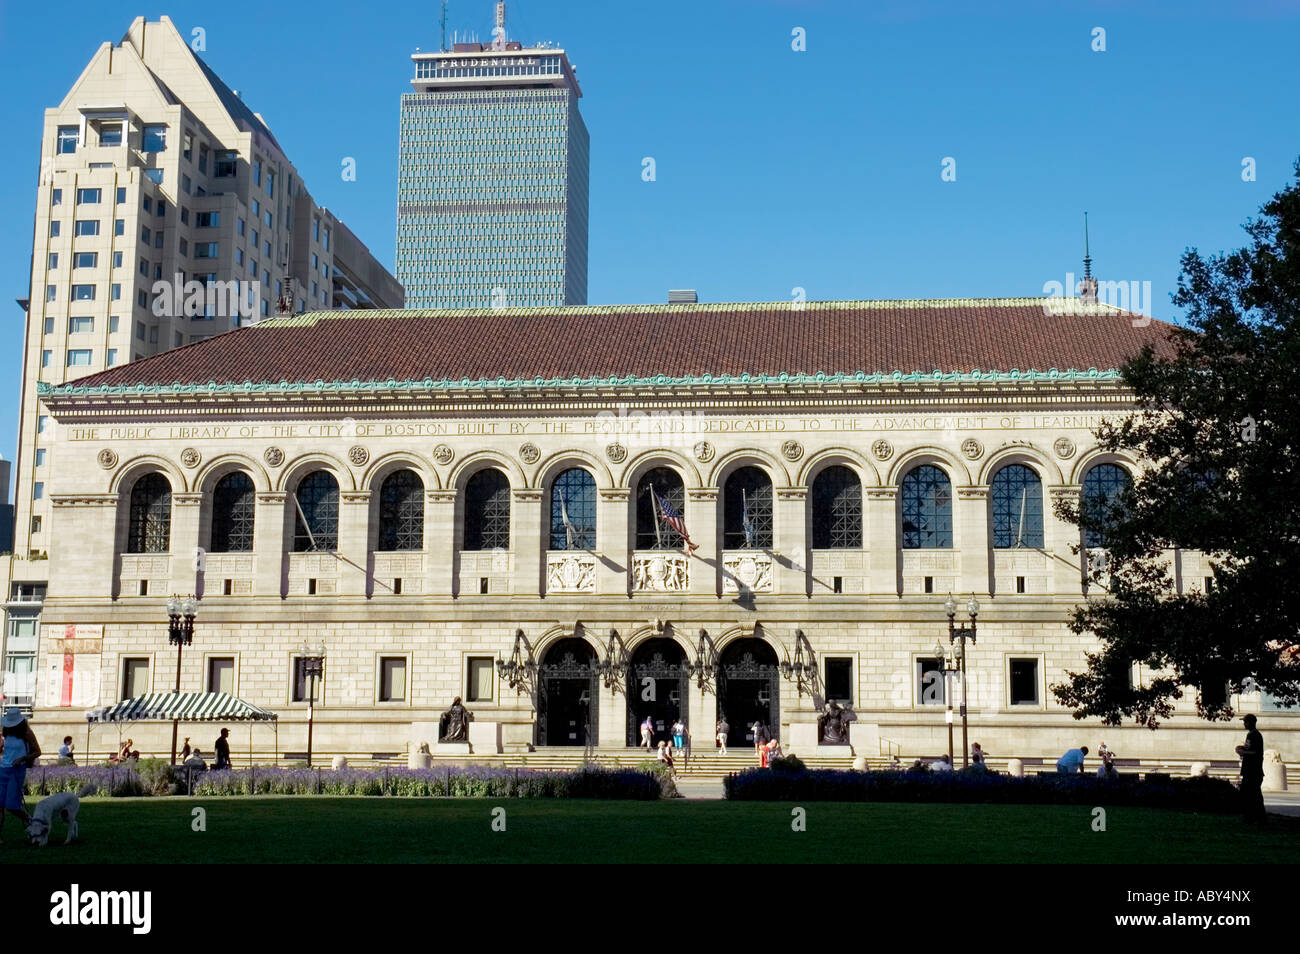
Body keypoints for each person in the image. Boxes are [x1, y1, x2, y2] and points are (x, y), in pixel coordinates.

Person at [0, 707, 40, 840]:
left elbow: (37, 752)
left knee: (12, 806)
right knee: (0, 805)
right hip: (3, 770)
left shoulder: (26, 733)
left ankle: (32, 821)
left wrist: (23, 758)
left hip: (17, 770)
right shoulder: (6, 733)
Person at [1235, 714, 1265, 825]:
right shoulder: (1250, 735)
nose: (1244, 724)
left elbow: (1256, 752)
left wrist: (1243, 752)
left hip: (1254, 772)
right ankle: (1250, 817)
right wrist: (1240, 748)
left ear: (1251, 723)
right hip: (1248, 771)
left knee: (1254, 796)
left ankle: (1257, 819)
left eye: (1246, 722)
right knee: (1248, 795)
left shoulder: (1256, 735)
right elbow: (1249, 749)